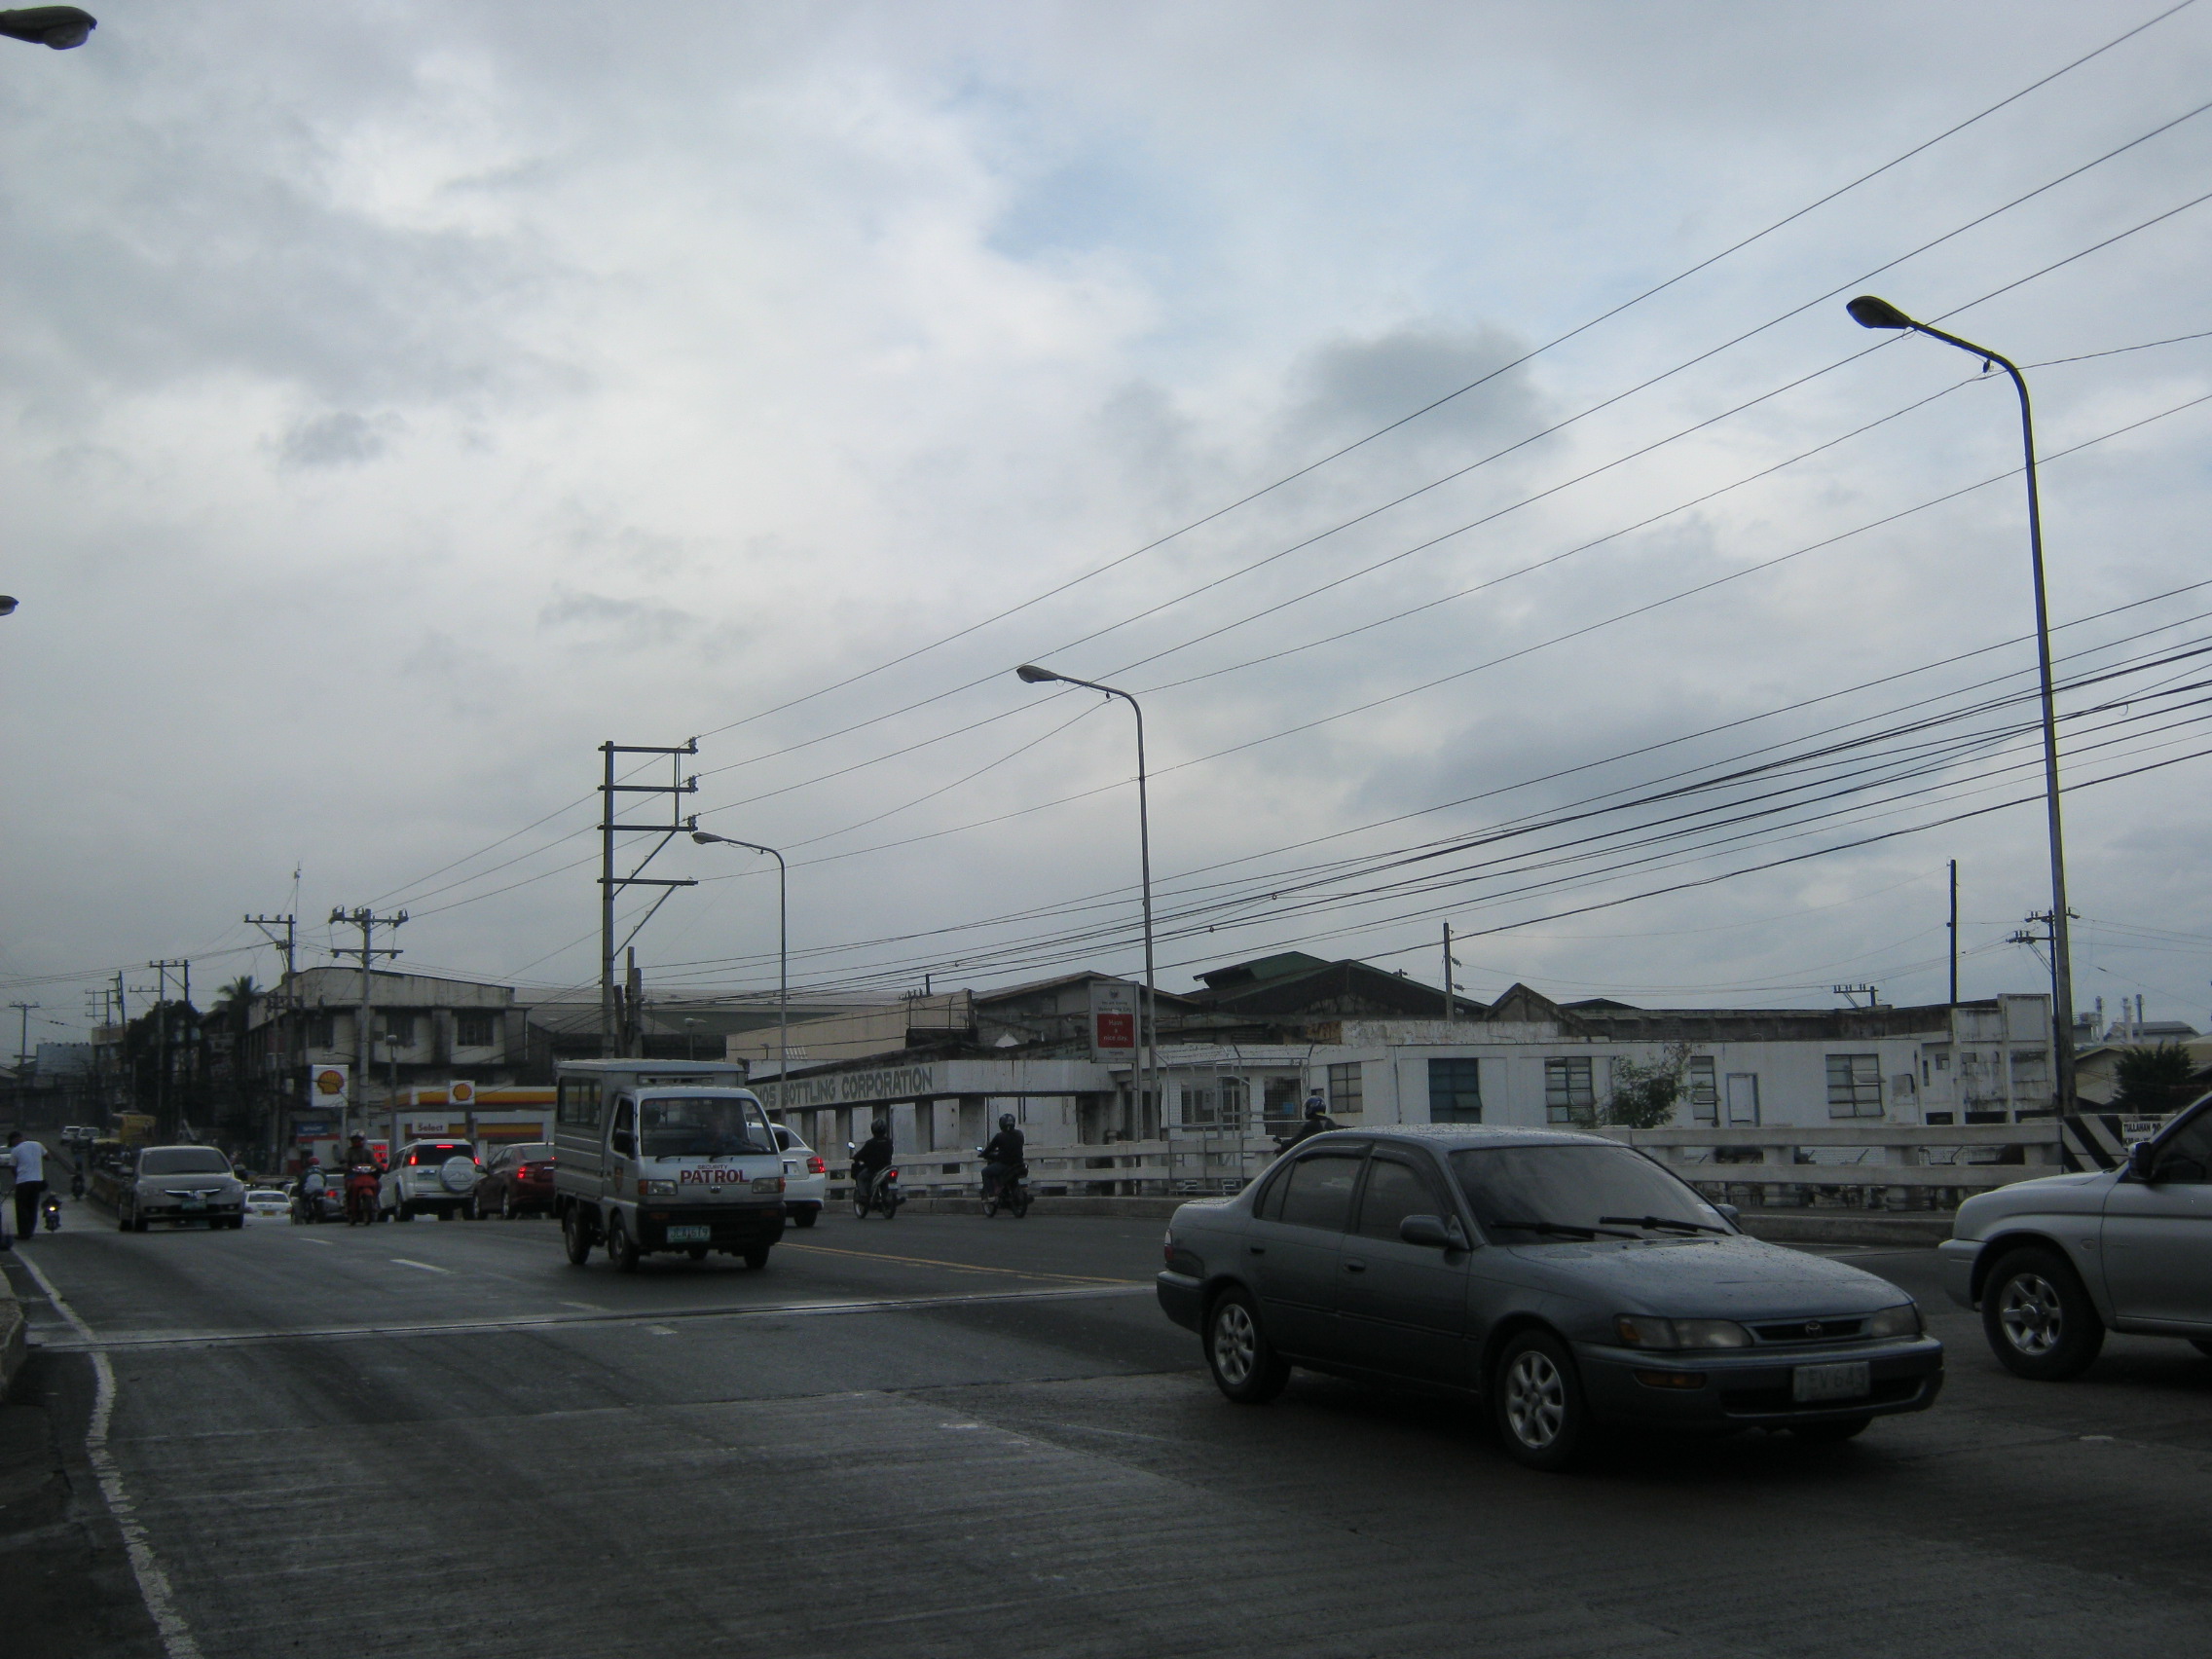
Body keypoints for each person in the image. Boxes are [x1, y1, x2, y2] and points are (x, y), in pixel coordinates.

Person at [7, 1131, 46, 1244]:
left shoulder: (16, 1150)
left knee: (21, 1207)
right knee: (32, 1206)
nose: (13, 1145)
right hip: (37, 1180)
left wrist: (17, 1179)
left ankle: (24, 1233)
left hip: (23, 1181)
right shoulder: (38, 1144)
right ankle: (30, 1230)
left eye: (12, 1143)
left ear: (15, 1139)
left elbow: (13, 1168)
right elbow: (48, 1157)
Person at [980, 1113, 1025, 1201]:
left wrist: (983, 1154)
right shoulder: (1020, 1134)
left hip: (1005, 1165)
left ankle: (991, 1194)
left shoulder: (999, 1136)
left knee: (985, 1172)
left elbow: (989, 1149)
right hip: (1019, 1164)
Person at [852, 1118, 893, 1205]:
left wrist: (855, 1157)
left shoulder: (870, 1143)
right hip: (886, 1167)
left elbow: (861, 1154)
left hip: (873, 1169)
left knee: (860, 1177)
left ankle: (864, 1196)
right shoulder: (888, 1141)